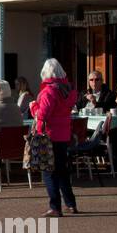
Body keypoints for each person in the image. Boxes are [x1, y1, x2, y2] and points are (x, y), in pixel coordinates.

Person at [29, 58, 77, 216]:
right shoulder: (68, 90)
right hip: (63, 135)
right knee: (62, 170)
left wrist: (33, 106)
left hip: (48, 135)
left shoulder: (49, 90)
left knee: (49, 171)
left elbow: (43, 115)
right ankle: (70, 204)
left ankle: (55, 206)